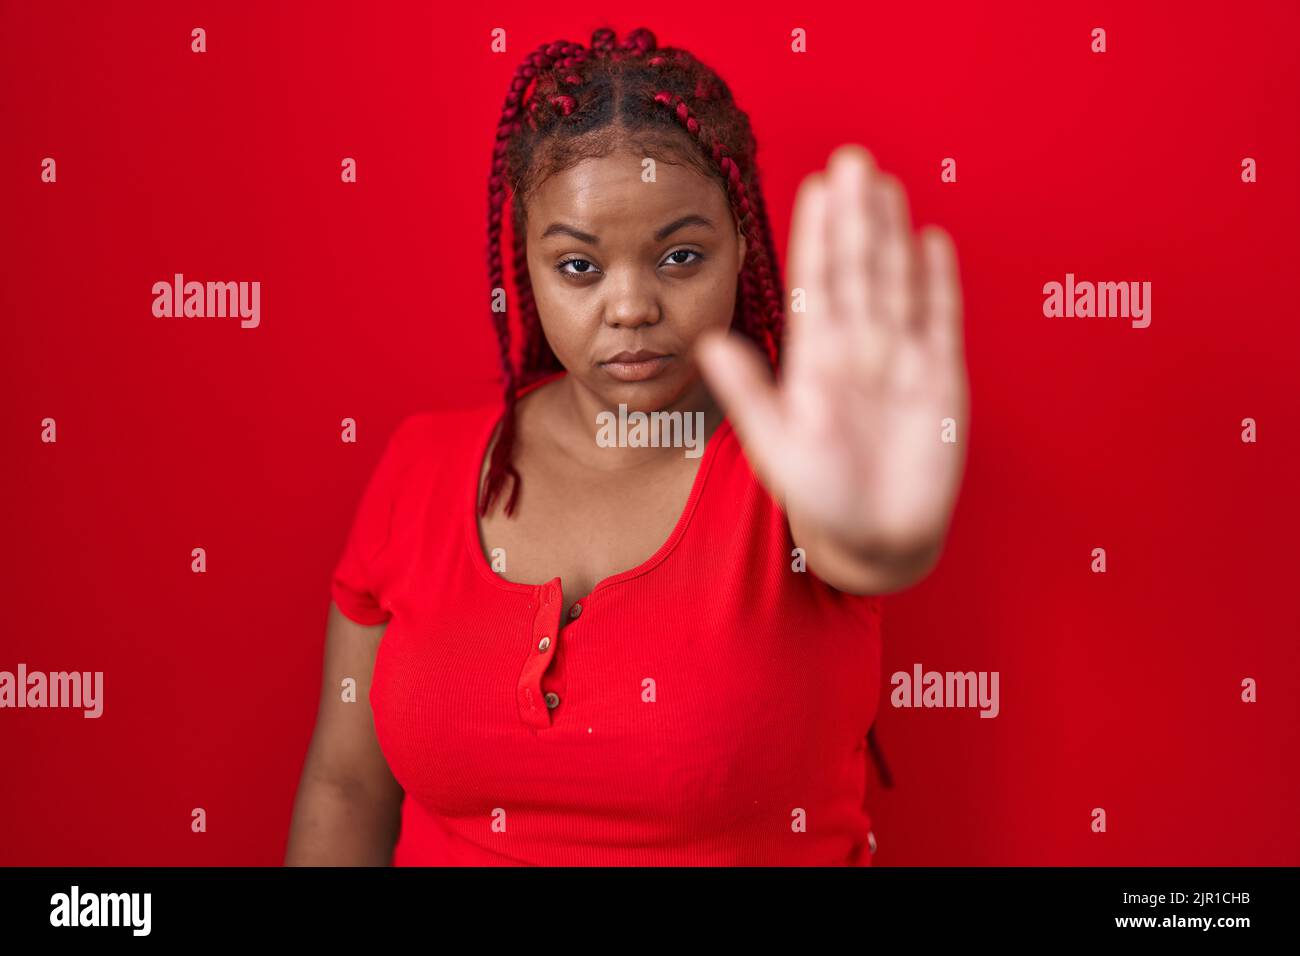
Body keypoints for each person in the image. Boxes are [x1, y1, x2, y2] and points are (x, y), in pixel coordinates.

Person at [285, 25, 968, 866]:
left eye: (681, 256)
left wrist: (883, 533)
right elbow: (346, 788)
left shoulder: (801, 470)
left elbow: (863, 546)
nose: (633, 306)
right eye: (579, 266)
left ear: (743, 248)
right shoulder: (420, 467)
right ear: (525, 267)